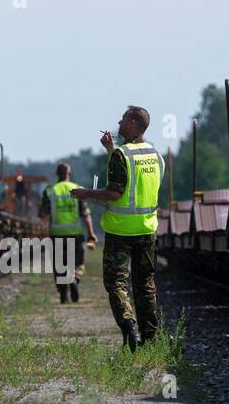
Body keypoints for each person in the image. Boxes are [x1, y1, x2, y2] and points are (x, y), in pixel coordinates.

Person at [71, 105, 161, 350]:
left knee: (116, 283)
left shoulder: (122, 156)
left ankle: (130, 329)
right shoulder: (155, 154)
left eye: (122, 119)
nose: (119, 123)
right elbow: (136, 184)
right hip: (147, 230)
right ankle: (150, 338)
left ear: (132, 123)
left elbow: (115, 191)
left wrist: (84, 193)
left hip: (121, 231)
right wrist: (111, 149)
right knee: (145, 284)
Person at [39, 162, 97, 303]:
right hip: (75, 234)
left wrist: (42, 233)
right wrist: (91, 233)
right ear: (68, 174)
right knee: (78, 263)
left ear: (57, 174)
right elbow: (85, 215)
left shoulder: (50, 191)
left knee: (59, 264)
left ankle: (63, 294)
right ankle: (75, 279)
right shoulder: (77, 189)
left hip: (56, 234)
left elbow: (44, 216)